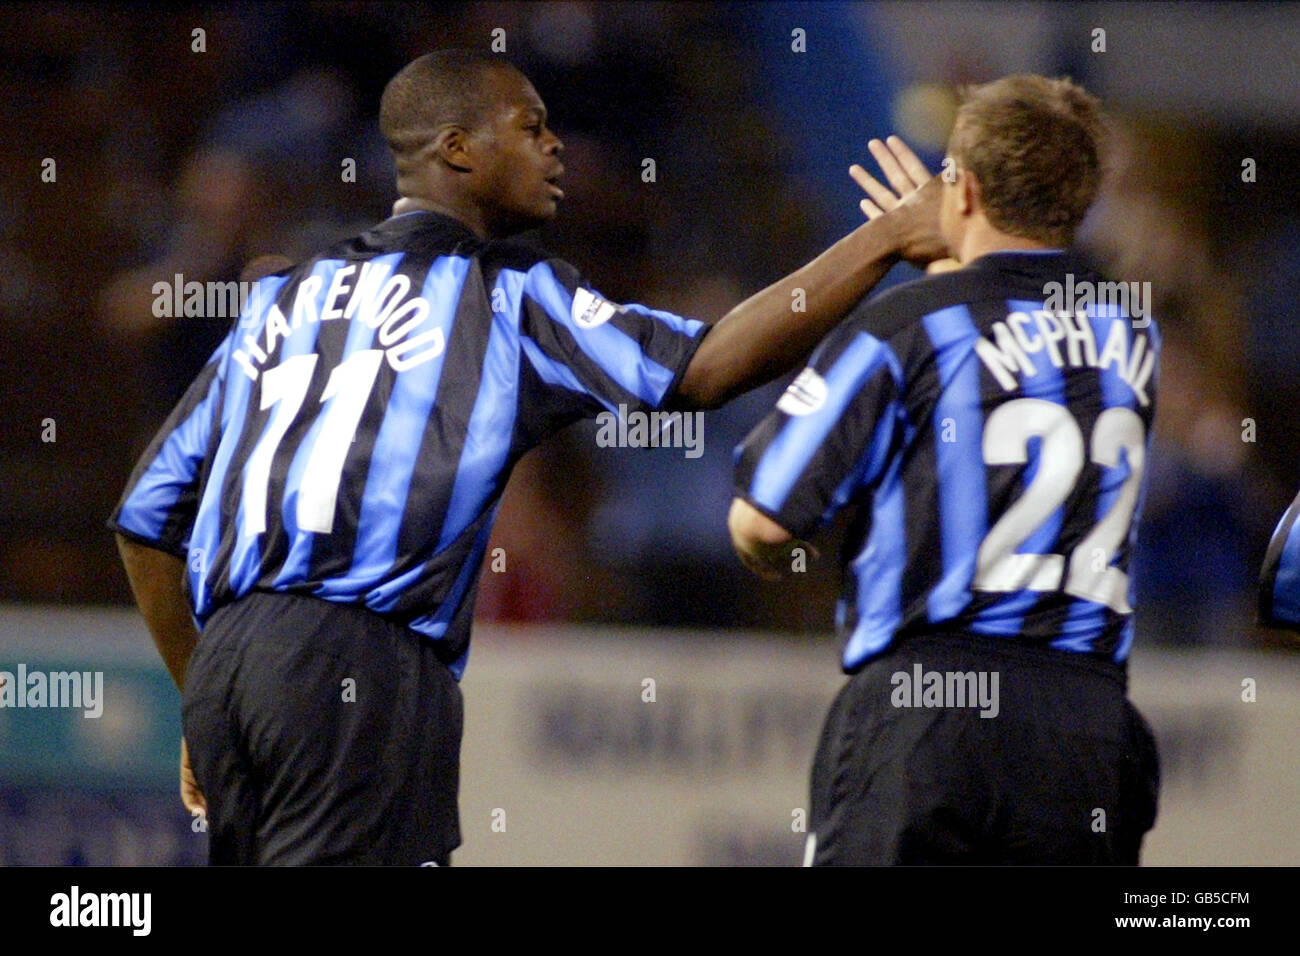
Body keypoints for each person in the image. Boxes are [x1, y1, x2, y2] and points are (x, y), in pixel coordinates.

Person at [110, 49, 943, 865]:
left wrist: (204, 690)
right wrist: (883, 242)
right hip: (357, 670)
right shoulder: (508, 291)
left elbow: (146, 523)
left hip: (228, 667)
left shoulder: (278, 299)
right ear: (458, 150)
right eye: (532, 126)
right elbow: (702, 369)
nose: (557, 147)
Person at [729, 75, 1161, 865]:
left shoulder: (905, 328)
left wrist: (920, 264)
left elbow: (766, 518)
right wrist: (959, 259)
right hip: (1090, 730)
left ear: (959, 188)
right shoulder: (1133, 338)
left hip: (931, 715)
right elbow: (1020, 334)